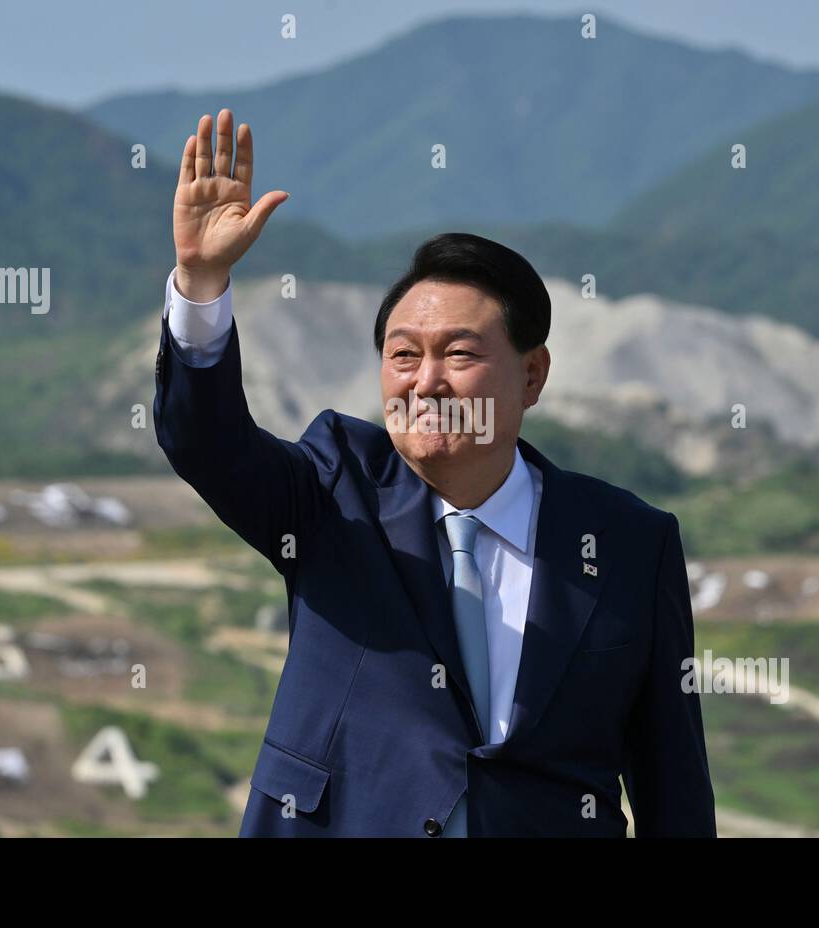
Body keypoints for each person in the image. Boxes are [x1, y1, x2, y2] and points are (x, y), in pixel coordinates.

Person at [154, 109, 715, 837]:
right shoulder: (333, 491)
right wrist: (201, 283)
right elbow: (207, 442)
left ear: (533, 373)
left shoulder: (630, 542)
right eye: (403, 356)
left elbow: (671, 779)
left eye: (458, 354)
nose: (424, 384)